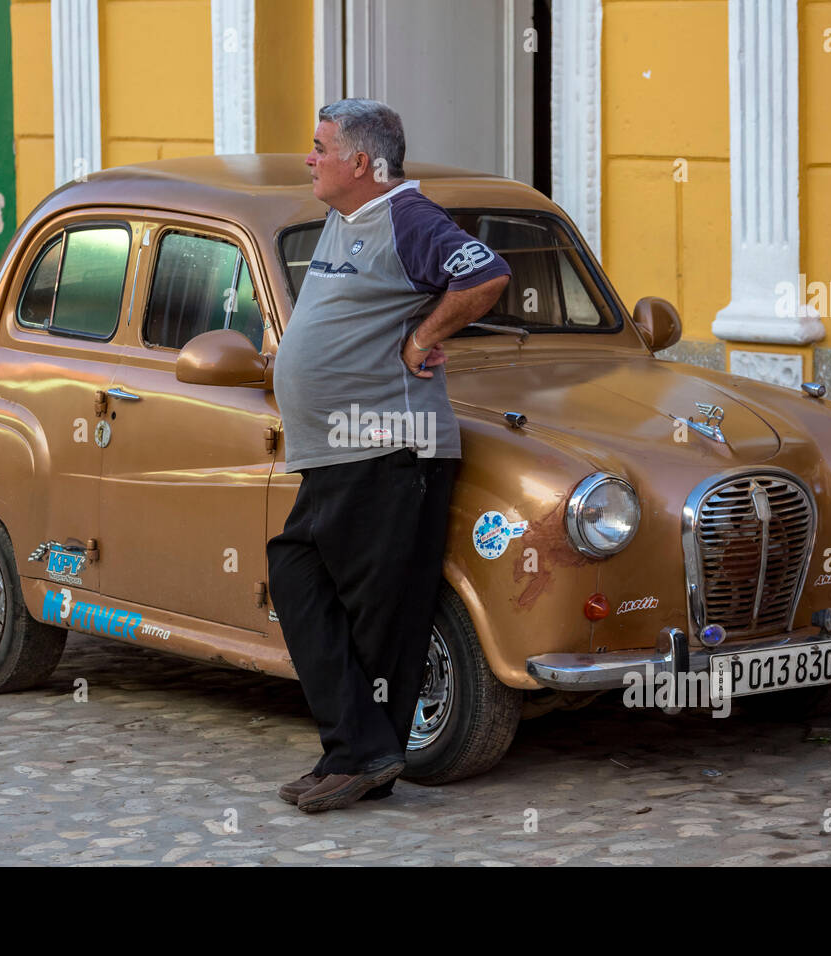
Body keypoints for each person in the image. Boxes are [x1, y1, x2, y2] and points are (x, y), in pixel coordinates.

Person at [266, 98, 511, 813]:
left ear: (362, 164)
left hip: (388, 450)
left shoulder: (409, 216)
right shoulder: (346, 217)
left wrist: (421, 335)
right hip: (341, 454)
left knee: (375, 615)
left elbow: (486, 275)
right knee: (300, 576)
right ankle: (357, 751)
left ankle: (362, 755)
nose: (308, 159)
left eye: (320, 148)